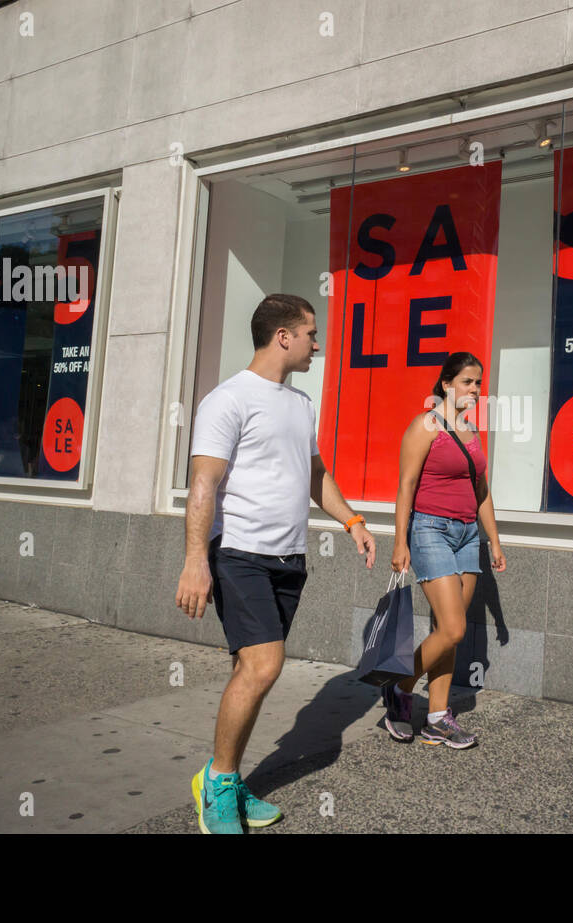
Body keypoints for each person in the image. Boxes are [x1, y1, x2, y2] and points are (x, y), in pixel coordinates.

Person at [175, 293, 375, 834]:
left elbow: (316, 476)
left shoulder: (300, 403)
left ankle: (228, 774)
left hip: (290, 558)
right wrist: (196, 560)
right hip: (240, 554)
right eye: (312, 333)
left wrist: (352, 522)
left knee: (252, 670)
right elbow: (203, 483)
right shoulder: (227, 400)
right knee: (264, 665)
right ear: (283, 336)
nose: (318, 343)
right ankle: (217, 785)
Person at [383, 351, 506, 748]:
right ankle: (400, 687)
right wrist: (400, 540)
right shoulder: (426, 426)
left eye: (478, 384)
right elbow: (406, 486)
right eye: (467, 382)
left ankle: (437, 716)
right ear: (446, 384)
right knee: (453, 628)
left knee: (447, 632)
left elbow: (481, 490)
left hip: (469, 535)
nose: (474, 389)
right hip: (430, 531)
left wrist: (495, 540)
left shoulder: (471, 432)